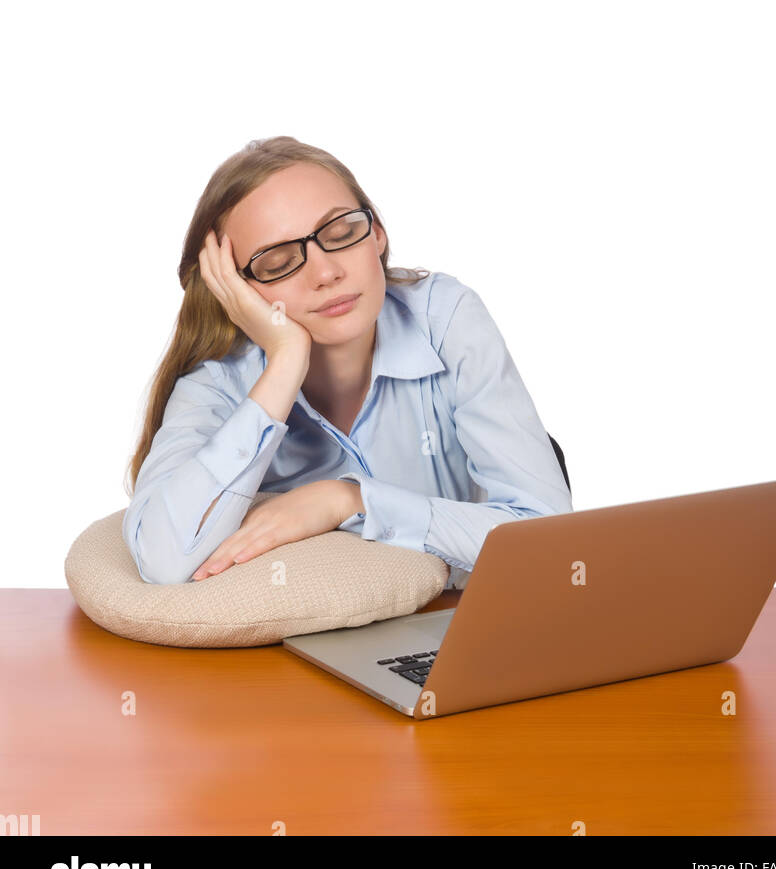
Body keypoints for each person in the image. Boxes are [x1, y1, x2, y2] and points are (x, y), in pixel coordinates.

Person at [122, 135, 573, 587]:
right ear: (233, 292)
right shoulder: (218, 380)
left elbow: (548, 539)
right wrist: (284, 363)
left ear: (376, 233)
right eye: (278, 263)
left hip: (460, 627)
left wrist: (351, 501)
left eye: (341, 234)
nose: (326, 273)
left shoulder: (446, 318)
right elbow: (161, 559)